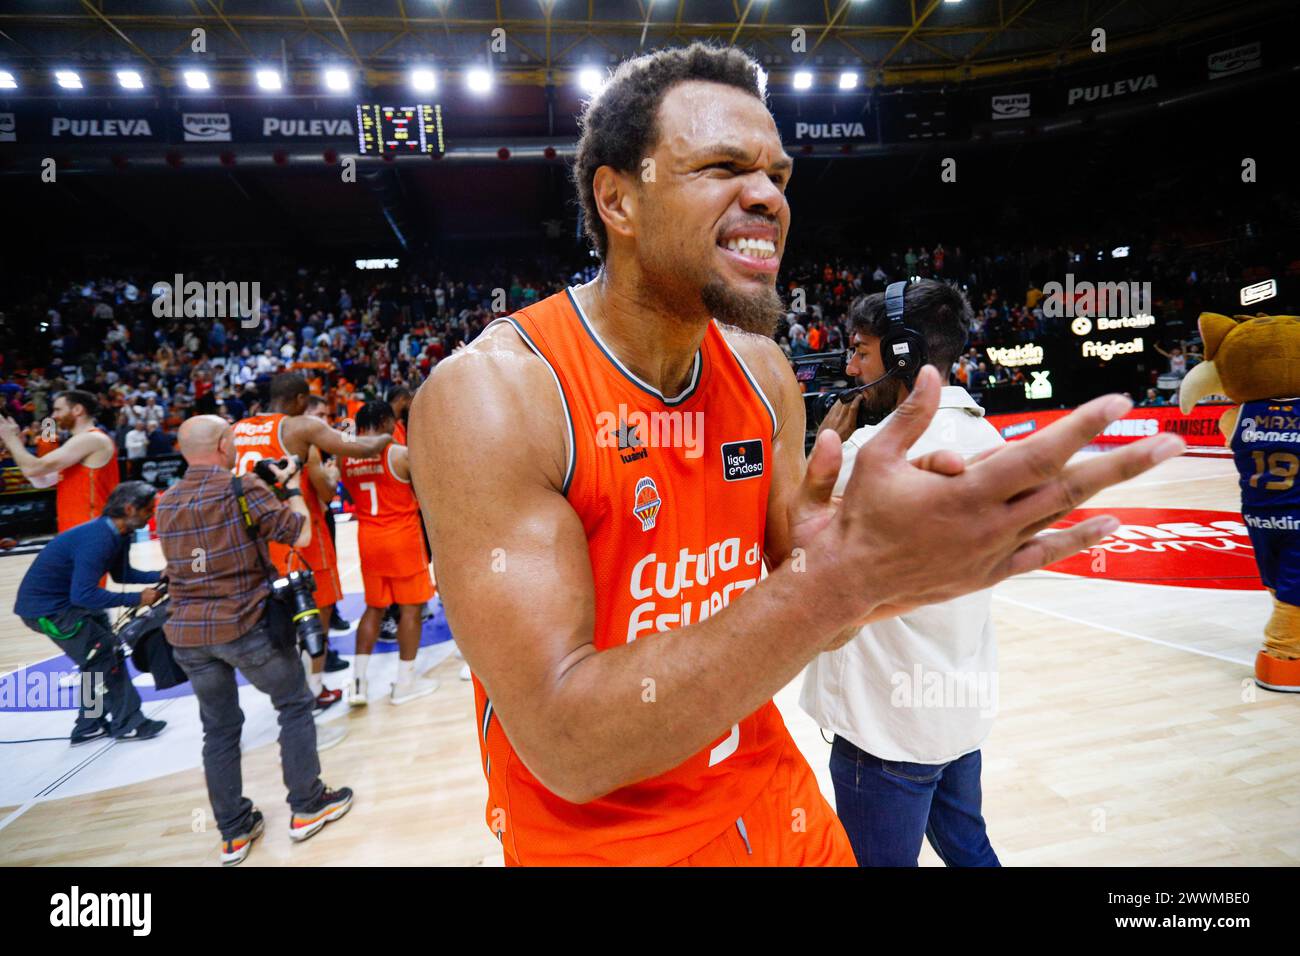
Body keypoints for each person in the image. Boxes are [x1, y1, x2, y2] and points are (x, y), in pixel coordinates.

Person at [408, 43, 1182, 867]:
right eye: (721, 166)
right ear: (618, 199)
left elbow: (815, 618)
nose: (767, 197)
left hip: (769, 791)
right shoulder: (493, 396)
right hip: (604, 842)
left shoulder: (762, 370)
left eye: (779, 176)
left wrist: (896, 570)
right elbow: (567, 746)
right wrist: (841, 582)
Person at [805, 281, 1005, 867]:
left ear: (901, 356)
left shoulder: (867, 455)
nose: (849, 366)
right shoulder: (988, 437)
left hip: (885, 728)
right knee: (971, 850)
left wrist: (826, 446)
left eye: (861, 351)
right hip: (958, 711)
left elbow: (786, 534)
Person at [155, 415, 353, 866]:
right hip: (243, 624)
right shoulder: (241, 489)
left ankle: (233, 832)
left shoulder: (166, 502)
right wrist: (290, 488)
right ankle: (307, 805)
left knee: (219, 731)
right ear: (226, 444)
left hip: (188, 636)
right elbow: (300, 532)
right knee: (294, 704)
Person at [232, 373, 391, 711]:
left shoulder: (238, 428)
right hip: (299, 537)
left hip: (254, 540)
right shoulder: (299, 427)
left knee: (277, 619)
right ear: (302, 400)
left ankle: (288, 690)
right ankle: (314, 691)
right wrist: (390, 433)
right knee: (315, 614)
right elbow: (360, 449)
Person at [14, 481, 166, 744]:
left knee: (96, 659)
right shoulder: (97, 539)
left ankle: (89, 724)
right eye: (148, 509)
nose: (151, 514)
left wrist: (160, 574)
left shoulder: (121, 534)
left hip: (69, 603)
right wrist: (137, 598)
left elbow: (121, 574)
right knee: (104, 654)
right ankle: (128, 723)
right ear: (130, 508)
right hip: (48, 610)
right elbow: (83, 594)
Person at [338, 401, 438, 705]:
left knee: (373, 609)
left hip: (368, 538)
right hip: (402, 539)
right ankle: (405, 682)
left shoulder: (347, 458)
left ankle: (358, 683)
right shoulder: (399, 454)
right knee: (411, 609)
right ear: (384, 421)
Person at [1, 390, 121, 532]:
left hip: (92, 528)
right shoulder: (73, 443)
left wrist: (10, 438)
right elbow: (40, 481)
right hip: (75, 530)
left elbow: (32, 468)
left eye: (58, 410)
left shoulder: (92, 439)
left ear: (77, 410)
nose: (54, 415)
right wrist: (17, 444)